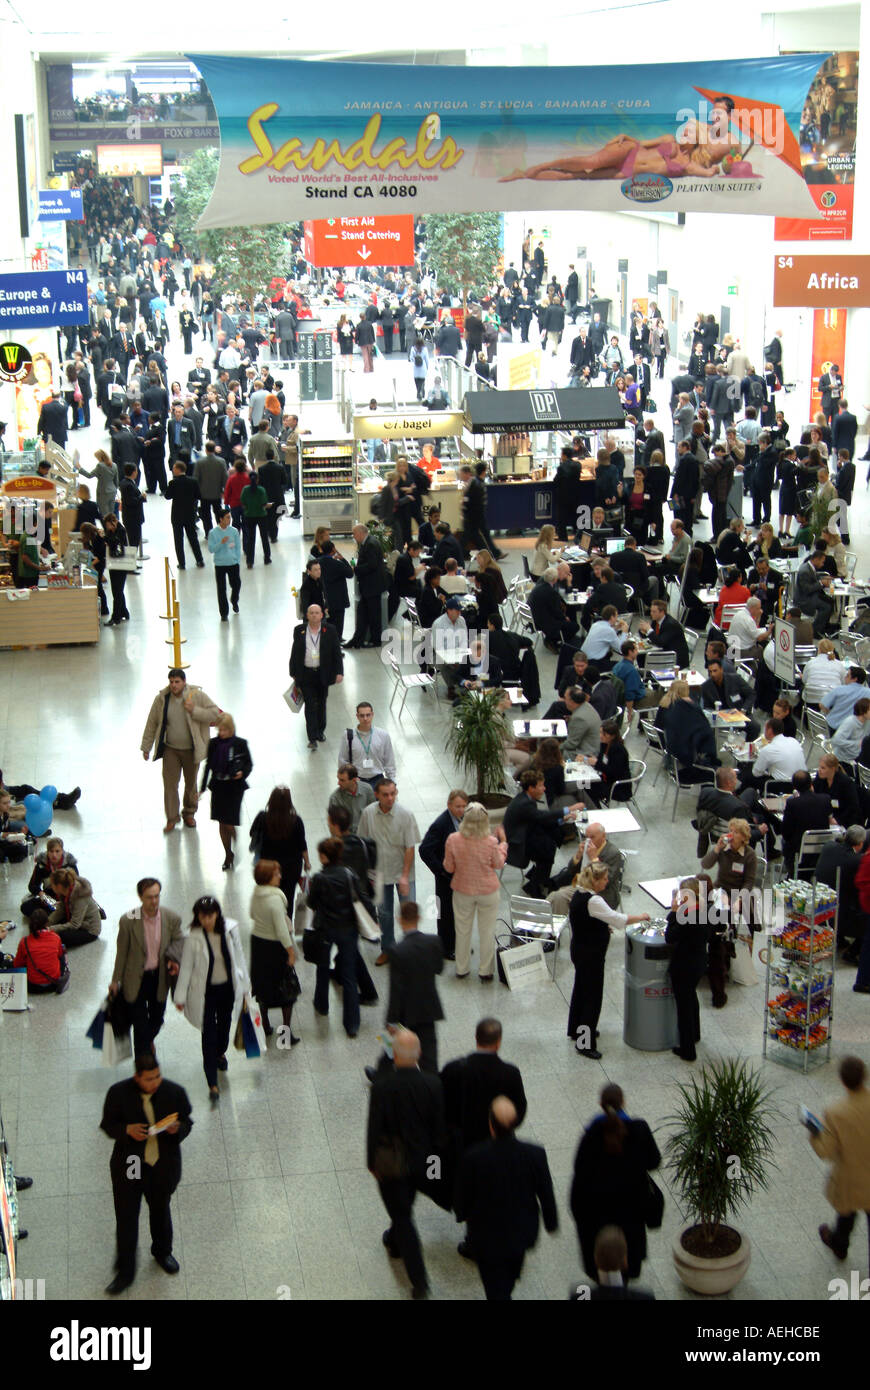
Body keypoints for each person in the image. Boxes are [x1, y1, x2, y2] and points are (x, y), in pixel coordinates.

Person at [100, 1052, 192, 1294]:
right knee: (127, 1216)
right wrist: (126, 1130)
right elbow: (108, 1125)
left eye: (158, 1076)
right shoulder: (118, 1094)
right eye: (149, 1079)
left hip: (161, 1164)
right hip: (130, 1162)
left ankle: (163, 1252)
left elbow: (187, 1121)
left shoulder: (173, 1093)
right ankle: (125, 1271)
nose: (155, 1082)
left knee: (161, 1210)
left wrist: (178, 1129)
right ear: (137, 1077)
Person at [366, 1028, 445, 1300]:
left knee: (403, 1216)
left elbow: (374, 1129)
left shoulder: (382, 1087)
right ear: (419, 1054)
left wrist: (371, 1162)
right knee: (404, 1204)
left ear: (394, 1054)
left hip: (392, 1162)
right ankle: (394, 1239)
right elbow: (440, 1129)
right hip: (421, 1161)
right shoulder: (433, 1084)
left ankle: (420, 1281)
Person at [455, 1096, 558, 1301]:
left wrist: (462, 1214)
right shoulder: (535, 1154)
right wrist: (550, 1222)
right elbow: (545, 1191)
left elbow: (462, 1194)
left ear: (491, 1124)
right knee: (508, 1278)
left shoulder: (473, 1157)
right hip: (521, 1232)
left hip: (485, 1235)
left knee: (493, 1285)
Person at [570, 1084, 661, 1285]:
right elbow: (654, 1161)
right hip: (630, 1216)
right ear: (623, 1103)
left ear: (600, 1105)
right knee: (625, 1270)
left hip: (597, 1219)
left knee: (602, 1272)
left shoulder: (591, 1134)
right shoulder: (639, 1130)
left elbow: (579, 1172)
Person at [567, 862, 650, 1059]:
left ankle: (576, 1029)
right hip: (591, 955)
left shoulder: (579, 893)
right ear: (595, 881)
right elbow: (616, 917)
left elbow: (590, 920)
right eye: (604, 879)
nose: (607, 882)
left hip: (580, 949)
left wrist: (601, 928)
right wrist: (641, 916)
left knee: (580, 991)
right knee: (591, 998)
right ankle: (584, 1044)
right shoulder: (594, 901)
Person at [174, 896, 250, 1101]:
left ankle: (220, 1053)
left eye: (211, 916)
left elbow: (240, 959)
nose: (207, 921)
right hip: (205, 994)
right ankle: (212, 1083)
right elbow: (187, 966)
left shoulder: (229, 930)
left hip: (227, 989)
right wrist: (180, 996)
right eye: (203, 917)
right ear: (198, 917)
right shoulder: (193, 936)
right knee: (208, 1034)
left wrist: (246, 988)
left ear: (217, 914)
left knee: (224, 1027)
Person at [308, 836, 374, 1039]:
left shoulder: (319, 878)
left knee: (322, 967)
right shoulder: (348, 873)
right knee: (348, 976)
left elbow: (311, 903)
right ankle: (352, 1024)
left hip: (325, 929)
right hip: (348, 930)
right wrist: (373, 919)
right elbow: (362, 898)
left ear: (324, 856)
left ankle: (322, 1005)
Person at [141, 669, 221, 832]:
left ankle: (189, 813)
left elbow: (215, 714)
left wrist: (195, 711)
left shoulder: (196, 696)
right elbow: (152, 722)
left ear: (184, 682)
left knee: (191, 784)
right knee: (170, 784)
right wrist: (146, 746)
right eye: (171, 682)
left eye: (177, 682)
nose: (173, 685)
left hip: (192, 750)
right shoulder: (162, 699)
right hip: (171, 749)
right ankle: (172, 818)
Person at [111, 878, 184, 1057]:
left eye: (157, 896)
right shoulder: (129, 920)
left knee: (157, 1019)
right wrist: (115, 980)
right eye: (149, 897)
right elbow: (122, 953)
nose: (154, 901)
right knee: (140, 1023)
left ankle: (146, 1042)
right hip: (135, 978)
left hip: (159, 978)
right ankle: (142, 1064)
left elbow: (179, 943)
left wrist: (174, 960)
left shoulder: (171, 918)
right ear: (140, 897)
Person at [810, 1055, 870, 1264]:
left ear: (842, 1081)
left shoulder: (835, 1113)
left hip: (850, 1180)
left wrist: (814, 1133)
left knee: (847, 1214)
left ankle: (839, 1245)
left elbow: (825, 1151)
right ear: (865, 1077)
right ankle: (838, 1242)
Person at [443, 802, 507, 982]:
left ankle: (462, 968)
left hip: (462, 890)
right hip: (488, 891)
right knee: (487, 931)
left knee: (462, 930)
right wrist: (503, 845)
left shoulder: (453, 839)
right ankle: (485, 971)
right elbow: (498, 864)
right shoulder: (491, 842)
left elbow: (448, 867)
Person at [358, 780, 420, 963]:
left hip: (403, 873)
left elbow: (410, 848)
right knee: (384, 914)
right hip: (379, 874)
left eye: (393, 793)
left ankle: (410, 949)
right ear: (377, 795)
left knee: (408, 911)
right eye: (385, 794)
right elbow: (363, 843)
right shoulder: (368, 813)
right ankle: (388, 949)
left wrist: (404, 876)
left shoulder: (406, 815)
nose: (390, 798)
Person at [503, 770, 581, 899]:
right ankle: (535, 886)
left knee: (554, 836)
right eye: (541, 786)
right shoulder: (525, 803)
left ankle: (538, 878)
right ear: (531, 788)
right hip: (518, 842)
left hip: (526, 833)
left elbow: (540, 819)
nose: (544, 789)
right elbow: (542, 816)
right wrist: (569, 809)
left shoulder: (526, 799)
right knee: (547, 850)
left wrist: (562, 819)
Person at [418, 790, 468, 963]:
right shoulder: (441, 824)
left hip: (461, 876)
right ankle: (446, 948)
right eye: (458, 806)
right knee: (445, 913)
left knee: (459, 911)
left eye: (463, 806)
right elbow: (424, 849)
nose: (461, 810)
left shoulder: (464, 820)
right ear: (449, 805)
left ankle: (458, 944)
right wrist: (440, 870)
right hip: (446, 878)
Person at [200, 714, 252, 871]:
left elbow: (248, 763)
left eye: (224, 730)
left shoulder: (240, 744)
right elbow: (208, 765)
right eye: (219, 730)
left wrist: (242, 772)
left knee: (229, 822)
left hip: (234, 787)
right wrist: (202, 787)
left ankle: (234, 840)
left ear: (231, 729)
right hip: (218, 786)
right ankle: (228, 854)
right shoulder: (214, 743)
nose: (221, 733)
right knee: (221, 822)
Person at [289, 603, 344, 751]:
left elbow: (336, 653)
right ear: (307, 615)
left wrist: (339, 672)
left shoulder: (330, 630)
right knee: (310, 705)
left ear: (321, 615)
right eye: (311, 613)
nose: (314, 615)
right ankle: (312, 737)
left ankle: (320, 730)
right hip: (305, 674)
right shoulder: (299, 630)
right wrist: (293, 671)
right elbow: (295, 652)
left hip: (322, 674)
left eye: (317, 613)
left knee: (321, 703)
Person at [667, 877, 709, 1061]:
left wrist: (673, 913)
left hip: (683, 966)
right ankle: (695, 1034)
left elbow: (670, 937)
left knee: (684, 1006)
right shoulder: (705, 911)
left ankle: (687, 1049)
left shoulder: (685, 917)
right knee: (692, 997)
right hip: (699, 962)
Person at [345, 523, 389, 649]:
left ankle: (375, 640)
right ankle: (357, 640)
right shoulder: (368, 542)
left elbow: (372, 565)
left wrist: (356, 569)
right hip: (369, 586)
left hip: (372, 586)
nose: (354, 536)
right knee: (363, 613)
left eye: (354, 534)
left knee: (373, 613)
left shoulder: (370, 544)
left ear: (360, 533)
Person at [338, 702, 396, 787]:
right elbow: (342, 761)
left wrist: (392, 781)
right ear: (357, 716)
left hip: (377, 779)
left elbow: (389, 761)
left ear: (372, 715)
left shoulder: (383, 735)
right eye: (362, 716)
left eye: (368, 715)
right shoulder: (348, 736)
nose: (365, 718)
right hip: (357, 780)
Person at [21, 836, 78, 918]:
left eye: (57, 851)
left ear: (62, 851)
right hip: (49, 896)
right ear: (47, 852)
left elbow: (76, 886)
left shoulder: (70, 864)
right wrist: (41, 893)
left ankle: (52, 915)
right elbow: (32, 885)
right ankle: (56, 915)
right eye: (51, 851)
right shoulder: (41, 865)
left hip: (66, 897)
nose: (54, 855)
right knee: (25, 906)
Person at [45, 867, 101, 947]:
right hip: (76, 920)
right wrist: (46, 923)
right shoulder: (65, 892)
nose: (51, 887)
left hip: (88, 929)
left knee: (61, 937)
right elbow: (60, 911)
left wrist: (51, 929)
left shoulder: (80, 896)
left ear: (59, 886)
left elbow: (75, 924)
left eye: (52, 885)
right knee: (52, 924)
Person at [12, 908, 65, 992]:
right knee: (62, 952)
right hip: (53, 984)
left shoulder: (25, 941)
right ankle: (60, 975)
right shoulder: (56, 937)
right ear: (47, 923)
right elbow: (60, 956)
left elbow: (17, 964)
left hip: (32, 985)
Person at [164, 459, 204, 569]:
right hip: (189, 514)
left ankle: (182, 563)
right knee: (193, 538)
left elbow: (167, 496)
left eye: (174, 468)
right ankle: (199, 560)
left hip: (177, 515)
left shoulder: (173, 483)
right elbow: (198, 495)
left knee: (178, 540)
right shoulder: (193, 481)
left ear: (178, 469)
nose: (172, 470)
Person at [207, 507, 242, 621]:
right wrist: (221, 543)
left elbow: (237, 547)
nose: (229, 520)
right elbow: (211, 549)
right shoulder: (213, 533)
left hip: (233, 563)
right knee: (221, 589)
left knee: (236, 584)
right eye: (227, 518)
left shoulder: (234, 531)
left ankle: (234, 600)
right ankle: (224, 613)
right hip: (220, 564)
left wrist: (237, 559)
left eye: (230, 517)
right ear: (221, 519)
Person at [328, 764, 375, 835]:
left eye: (342, 780)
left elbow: (373, 814)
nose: (338, 783)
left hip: (365, 834)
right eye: (338, 779)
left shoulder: (367, 790)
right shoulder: (335, 798)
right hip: (345, 837)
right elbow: (334, 826)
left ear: (353, 780)